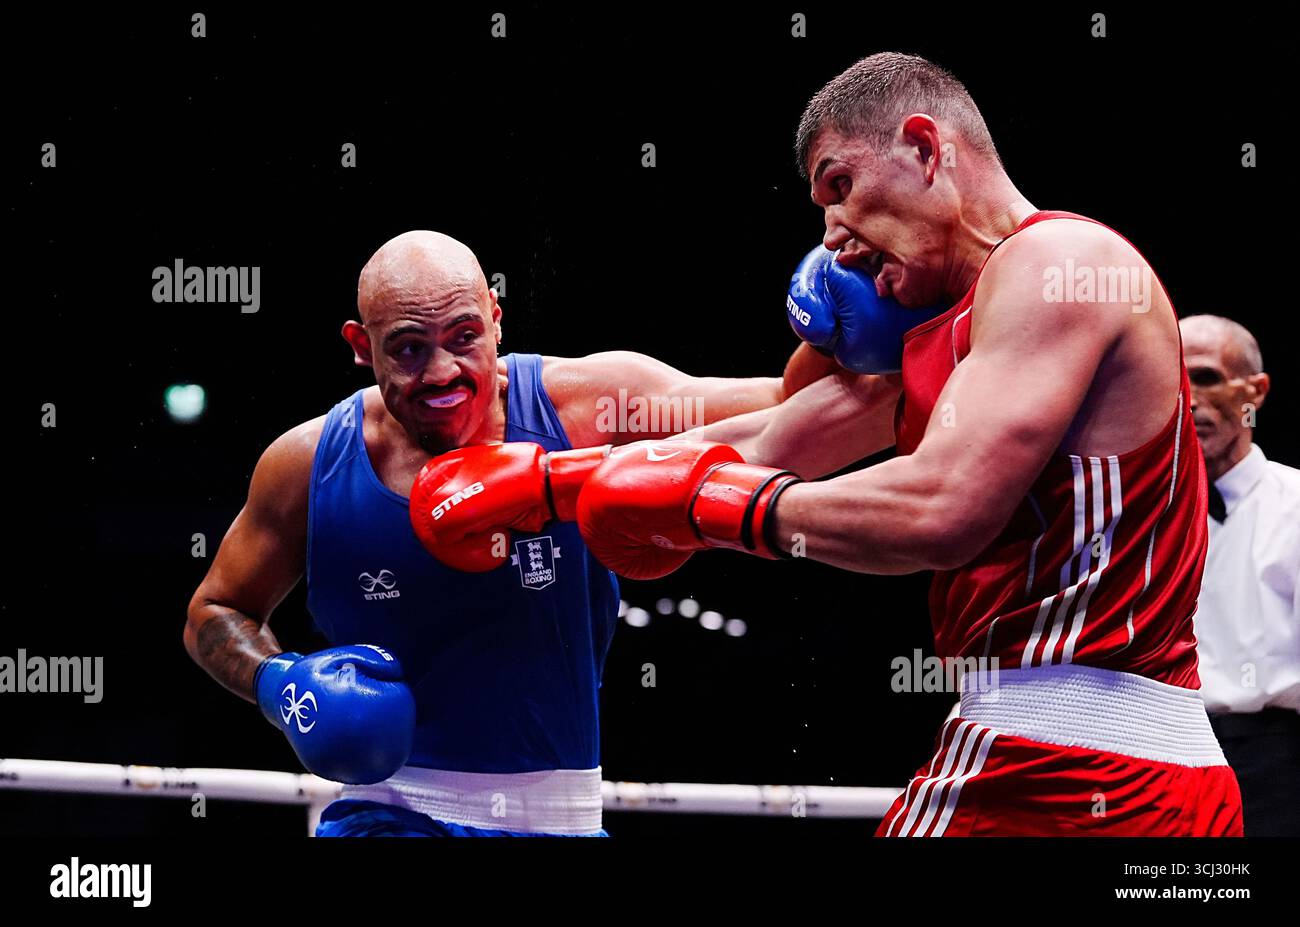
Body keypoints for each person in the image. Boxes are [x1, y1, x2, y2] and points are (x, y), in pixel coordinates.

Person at [419, 53, 1243, 836]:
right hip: (1109, 766)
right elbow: (774, 436)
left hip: (1068, 765)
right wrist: (553, 485)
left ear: (924, 147)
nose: (834, 234)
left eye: (839, 187)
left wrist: (718, 507)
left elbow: (940, 505)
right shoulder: (953, 333)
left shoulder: (1058, 262)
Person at [184, 229, 805, 837]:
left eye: (464, 337)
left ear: (496, 320)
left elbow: (790, 411)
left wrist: (856, 333)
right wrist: (279, 684)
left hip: (563, 819)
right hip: (386, 816)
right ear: (359, 344)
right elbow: (214, 609)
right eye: (407, 349)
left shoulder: (585, 409)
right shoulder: (310, 463)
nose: (442, 373)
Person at [1180, 314, 1300, 836]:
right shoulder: (1134, 519)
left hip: (1275, 765)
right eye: (1174, 380)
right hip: (1161, 759)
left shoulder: (1295, 507)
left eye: (1205, 377)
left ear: (1256, 390)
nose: (1188, 398)